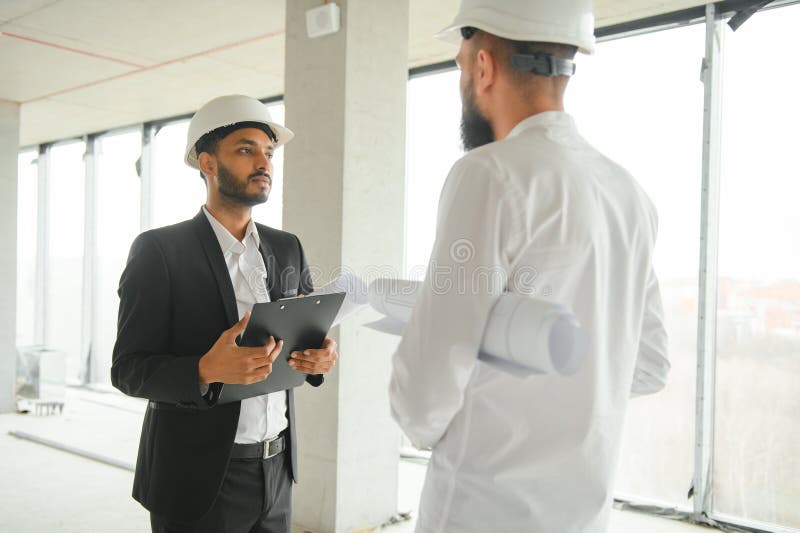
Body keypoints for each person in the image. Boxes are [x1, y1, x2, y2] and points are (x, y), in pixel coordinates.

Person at [389, 1, 670, 532]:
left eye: (459, 65)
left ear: (484, 66)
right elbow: (649, 363)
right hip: (583, 517)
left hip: (481, 510)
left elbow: (427, 389)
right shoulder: (628, 193)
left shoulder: (489, 174)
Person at [111, 94, 338, 533]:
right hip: (199, 478)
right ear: (207, 163)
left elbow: (307, 331)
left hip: (277, 471)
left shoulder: (286, 246)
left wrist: (318, 358)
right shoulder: (159, 251)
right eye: (246, 149)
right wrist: (204, 369)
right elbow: (128, 369)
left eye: (269, 153)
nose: (264, 163)